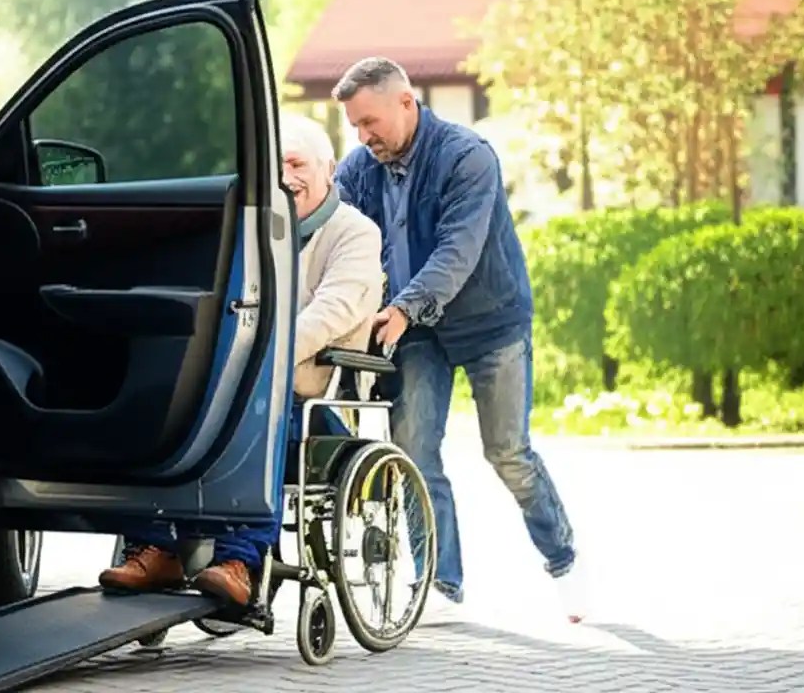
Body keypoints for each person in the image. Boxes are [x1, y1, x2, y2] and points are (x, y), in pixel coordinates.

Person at [330, 57, 586, 622]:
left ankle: (563, 560)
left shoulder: (466, 156)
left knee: (508, 453)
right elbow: (332, 228)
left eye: (370, 122)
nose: (363, 136)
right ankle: (440, 583)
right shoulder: (358, 170)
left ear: (406, 102)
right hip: (418, 329)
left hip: (491, 321)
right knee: (414, 449)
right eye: (354, 127)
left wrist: (403, 306)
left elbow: (458, 249)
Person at [98, 113, 384, 607]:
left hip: (310, 402)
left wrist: (261, 361)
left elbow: (333, 312)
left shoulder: (355, 233)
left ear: (329, 169)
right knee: (162, 400)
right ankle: (155, 547)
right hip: (235, 384)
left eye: (296, 163)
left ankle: (239, 560)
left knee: (256, 413)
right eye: (276, 167)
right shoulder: (256, 230)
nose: (286, 177)